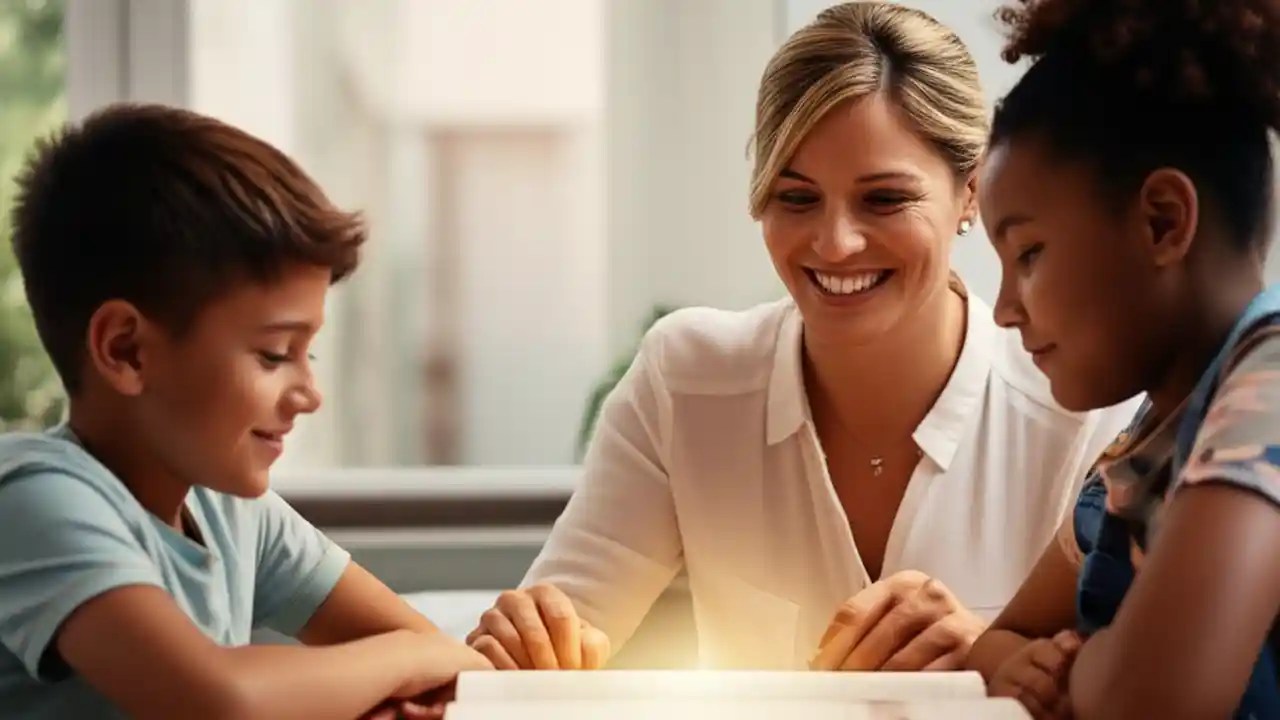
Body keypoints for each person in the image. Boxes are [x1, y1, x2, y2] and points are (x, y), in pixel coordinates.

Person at [465, 1, 1140, 673]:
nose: (835, 242)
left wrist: (987, 657)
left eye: (883, 200)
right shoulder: (687, 380)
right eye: (796, 198)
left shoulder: (1081, 411)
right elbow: (556, 632)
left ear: (971, 191)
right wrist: (526, 648)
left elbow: (1130, 687)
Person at [0, 104, 491, 720]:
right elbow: (218, 699)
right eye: (274, 354)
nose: (310, 394)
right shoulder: (32, 499)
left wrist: (405, 668)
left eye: (307, 352)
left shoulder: (229, 509)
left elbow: (439, 660)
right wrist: (403, 663)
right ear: (125, 350)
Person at [966, 0, 1280, 717]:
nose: (1006, 309)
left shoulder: (1270, 386)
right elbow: (1000, 640)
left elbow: (1153, 697)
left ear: (1162, 221)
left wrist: (1079, 668)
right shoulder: (1146, 444)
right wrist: (1032, 664)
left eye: (1029, 254)